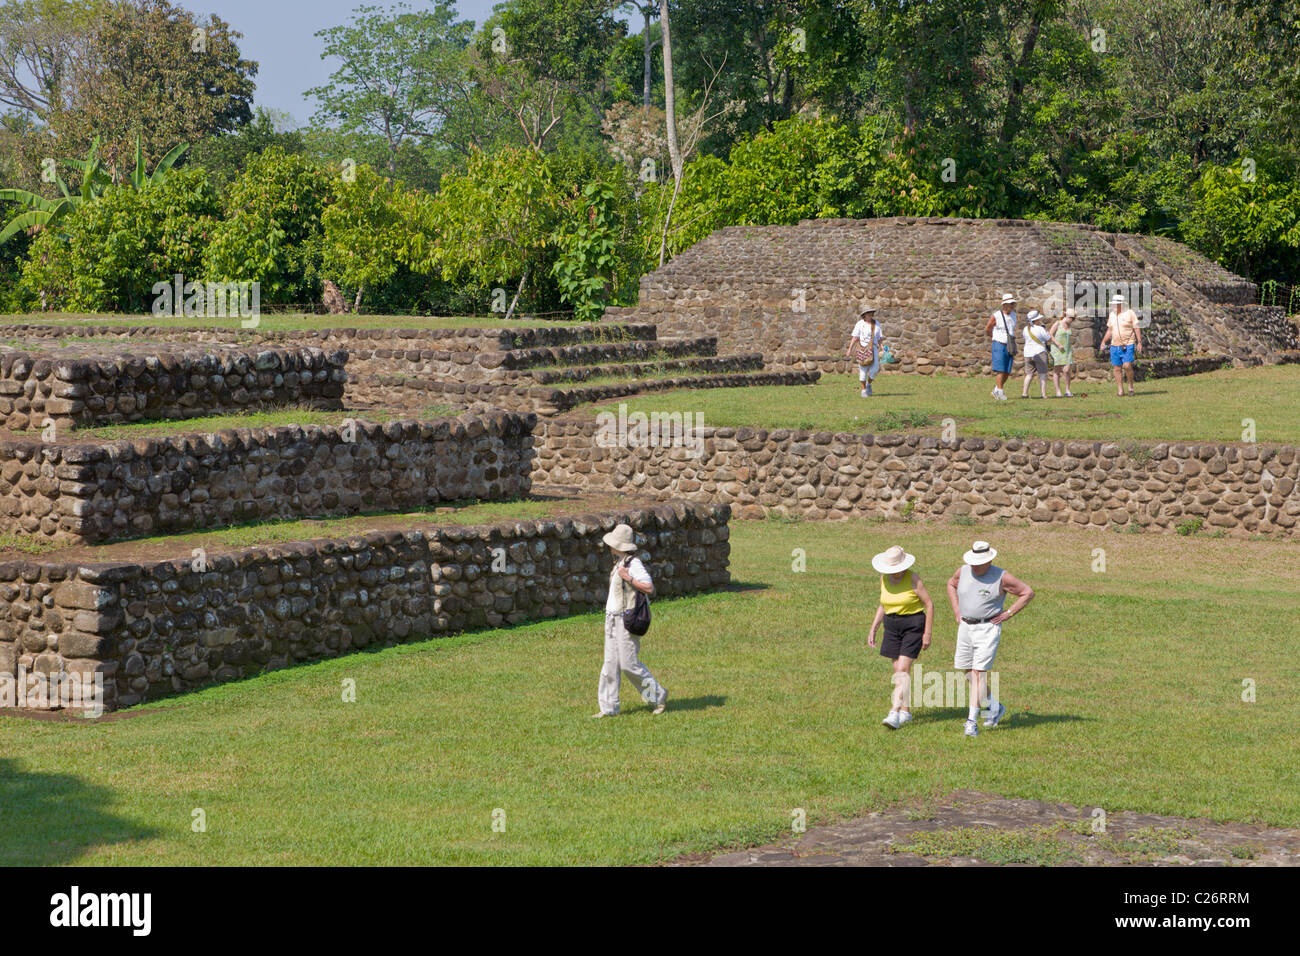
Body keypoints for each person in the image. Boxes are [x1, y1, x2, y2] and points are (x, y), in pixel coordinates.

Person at [945, 541, 1035, 738]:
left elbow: (1027, 593)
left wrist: (1008, 613)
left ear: (990, 560)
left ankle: (971, 722)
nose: (975, 566)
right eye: (973, 562)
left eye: (980, 562)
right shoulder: (962, 571)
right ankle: (995, 707)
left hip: (987, 628)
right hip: (965, 627)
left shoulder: (1002, 577)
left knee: (978, 674)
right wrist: (956, 610)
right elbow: (951, 584)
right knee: (968, 672)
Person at [594, 523, 667, 718]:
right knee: (609, 665)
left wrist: (628, 578)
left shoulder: (632, 564)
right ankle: (608, 708)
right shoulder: (619, 562)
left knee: (629, 665)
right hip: (611, 619)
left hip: (625, 621)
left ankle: (658, 697)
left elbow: (649, 588)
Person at [867, 545, 934, 729]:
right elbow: (883, 604)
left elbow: (929, 604)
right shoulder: (883, 579)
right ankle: (906, 711)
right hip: (891, 625)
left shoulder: (913, 578)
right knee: (899, 674)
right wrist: (874, 627)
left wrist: (927, 633)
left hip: (913, 624)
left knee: (903, 669)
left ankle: (894, 713)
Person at [1097, 294, 1143, 397]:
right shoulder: (1112, 315)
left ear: (1121, 304)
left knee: (1127, 365)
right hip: (1115, 345)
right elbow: (1110, 330)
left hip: (1128, 344)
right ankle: (1120, 390)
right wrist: (1103, 341)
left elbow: (1136, 327)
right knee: (1117, 368)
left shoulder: (1130, 313)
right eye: (1114, 304)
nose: (1114, 306)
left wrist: (1139, 341)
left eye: (1116, 304)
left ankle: (1130, 387)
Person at [845, 303, 885, 397]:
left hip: (874, 348)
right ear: (864, 314)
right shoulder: (860, 324)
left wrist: (883, 348)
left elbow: (879, 338)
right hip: (862, 349)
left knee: (875, 369)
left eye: (871, 312)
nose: (870, 314)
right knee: (863, 369)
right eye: (868, 313)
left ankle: (869, 384)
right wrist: (850, 349)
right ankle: (863, 390)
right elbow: (855, 337)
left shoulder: (876, 324)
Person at [984, 293, 1018, 401]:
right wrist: (994, 337)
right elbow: (988, 328)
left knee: (1007, 371)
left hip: (1009, 344)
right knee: (1000, 370)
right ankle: (1000, 392)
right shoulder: (997, 315)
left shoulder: (1014, 315)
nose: (1012, 306)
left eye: (1013, 304)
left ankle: (997, 390)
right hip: (999, 343)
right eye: (1010, 304)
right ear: (1005, 305)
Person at [1020, 310, 1053, 399]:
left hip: (1027, 353)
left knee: (1029, 374)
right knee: (1042, 374)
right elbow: (1048, 339)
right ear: (1036, 320)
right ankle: (1043, 394)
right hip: (1039, 352)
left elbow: (1024, 337)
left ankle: (1024, 393)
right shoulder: (1040, 328)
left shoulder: (1025, 329)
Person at [1048, 309, 1076, 398]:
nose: (1072, 320)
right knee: (1057, 370)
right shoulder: (1058, 323)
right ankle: (1058, 391)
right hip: (1057, 350)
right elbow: (1050, 334)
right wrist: (1058, 344)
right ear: (1066, 316)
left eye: (1073, 318)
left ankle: (1067, 390)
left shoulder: (1069, 325)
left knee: (1067, 370)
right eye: (1071, 318)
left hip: (1067, 350)